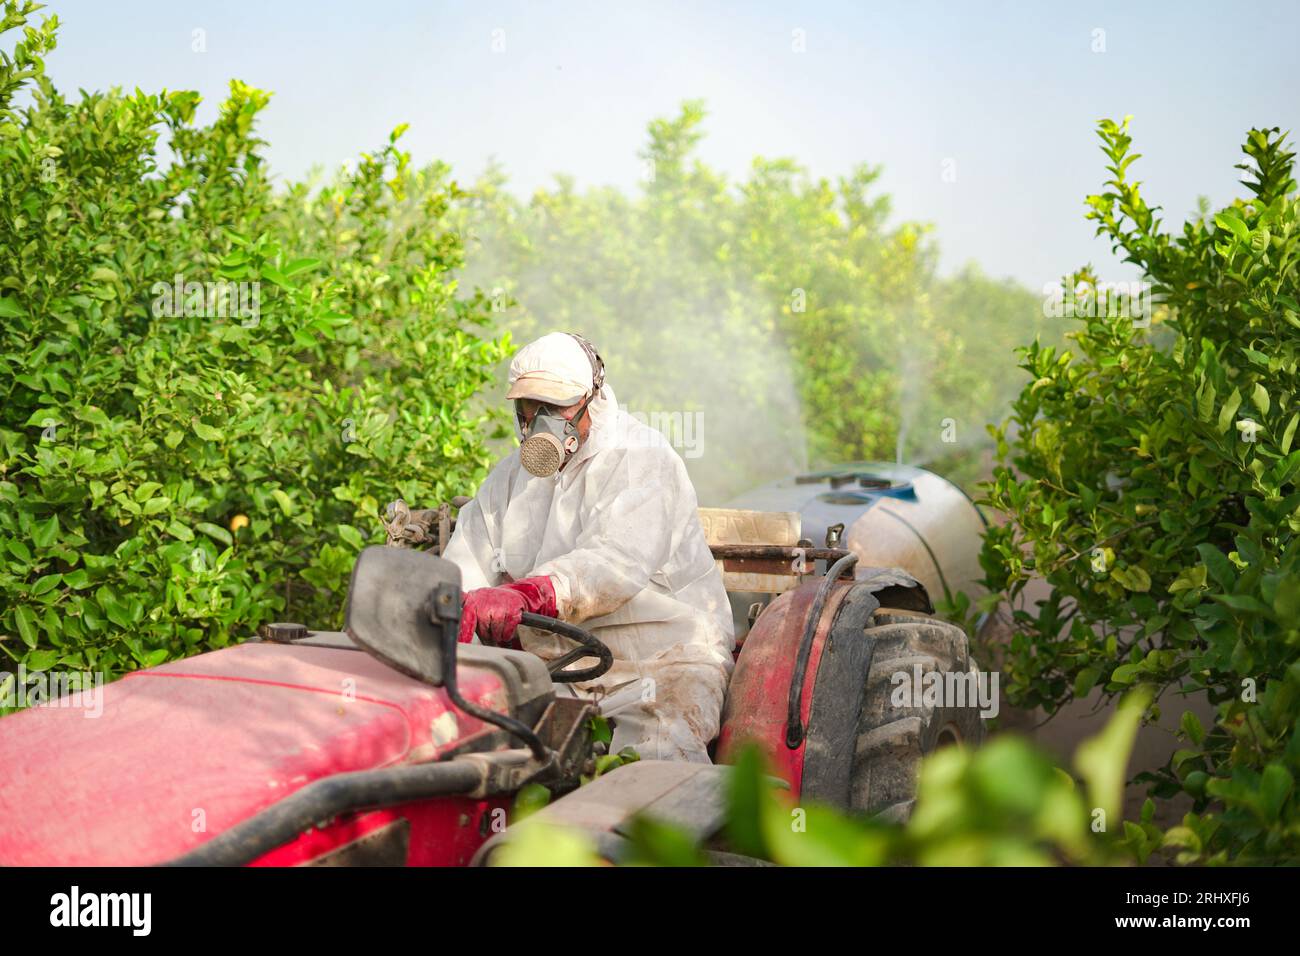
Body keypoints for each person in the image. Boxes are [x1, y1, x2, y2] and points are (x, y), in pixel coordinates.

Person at [441, 331, 734, 763]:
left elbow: (617, 561)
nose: (541, 422)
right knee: (477, 752)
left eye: (555, 407)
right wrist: (453, 606)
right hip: (555, 670)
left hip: (664, 663)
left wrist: (531, 593)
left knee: (654, 765)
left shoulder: (642, 459)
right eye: (530, 408)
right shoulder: (507, 481)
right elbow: (466, 559)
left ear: (591, 399)